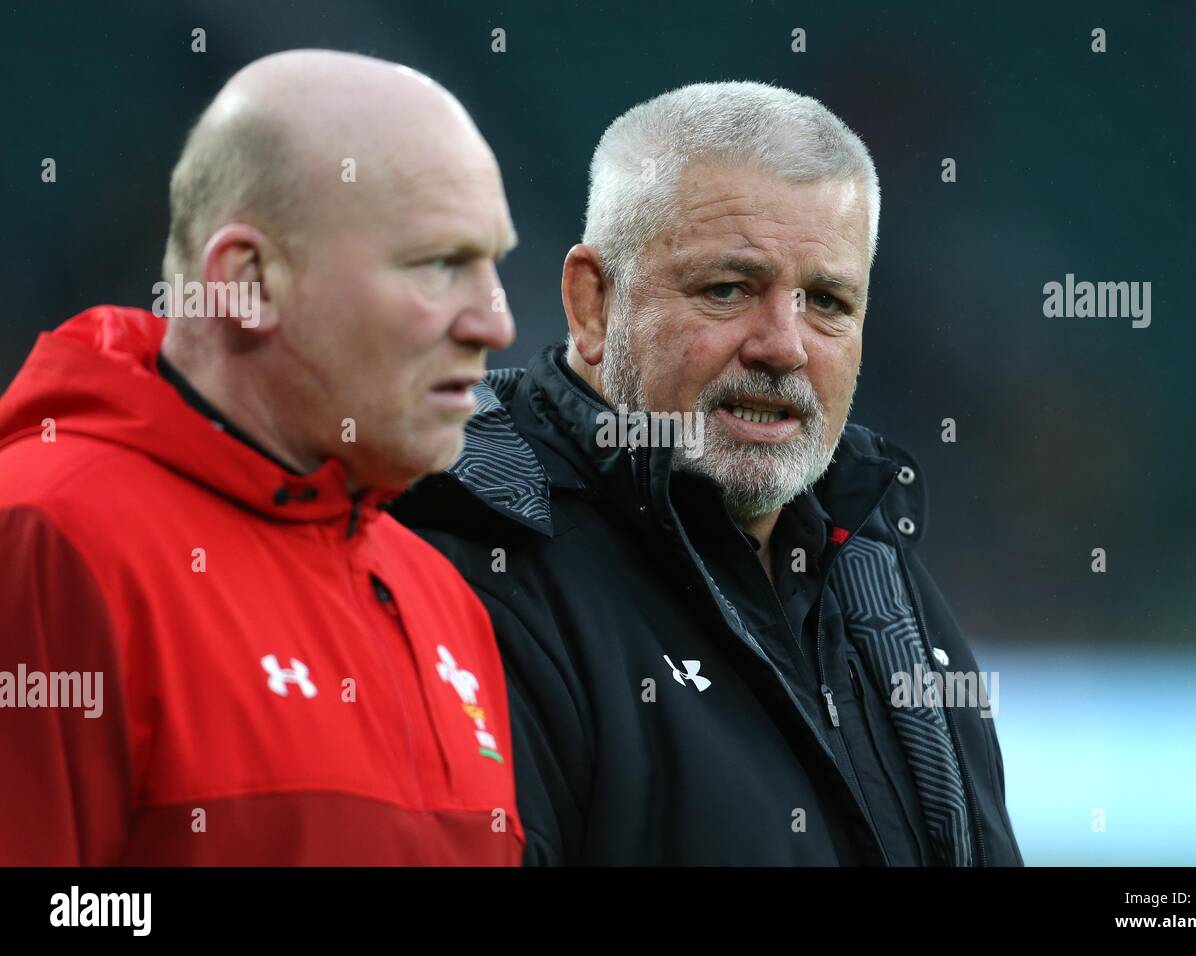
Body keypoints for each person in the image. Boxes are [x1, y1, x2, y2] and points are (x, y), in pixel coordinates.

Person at [393, 81, 1024, 865]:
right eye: (728, 290)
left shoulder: (874, 564)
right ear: (593, 306)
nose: (783, 345)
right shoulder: (464, 560)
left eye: (826, 301)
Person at [0, 50, 521, 865]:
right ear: (247, 281)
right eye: (438, 265)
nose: (496, 324)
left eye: (495, 263)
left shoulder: (443, 599)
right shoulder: (44, 537)